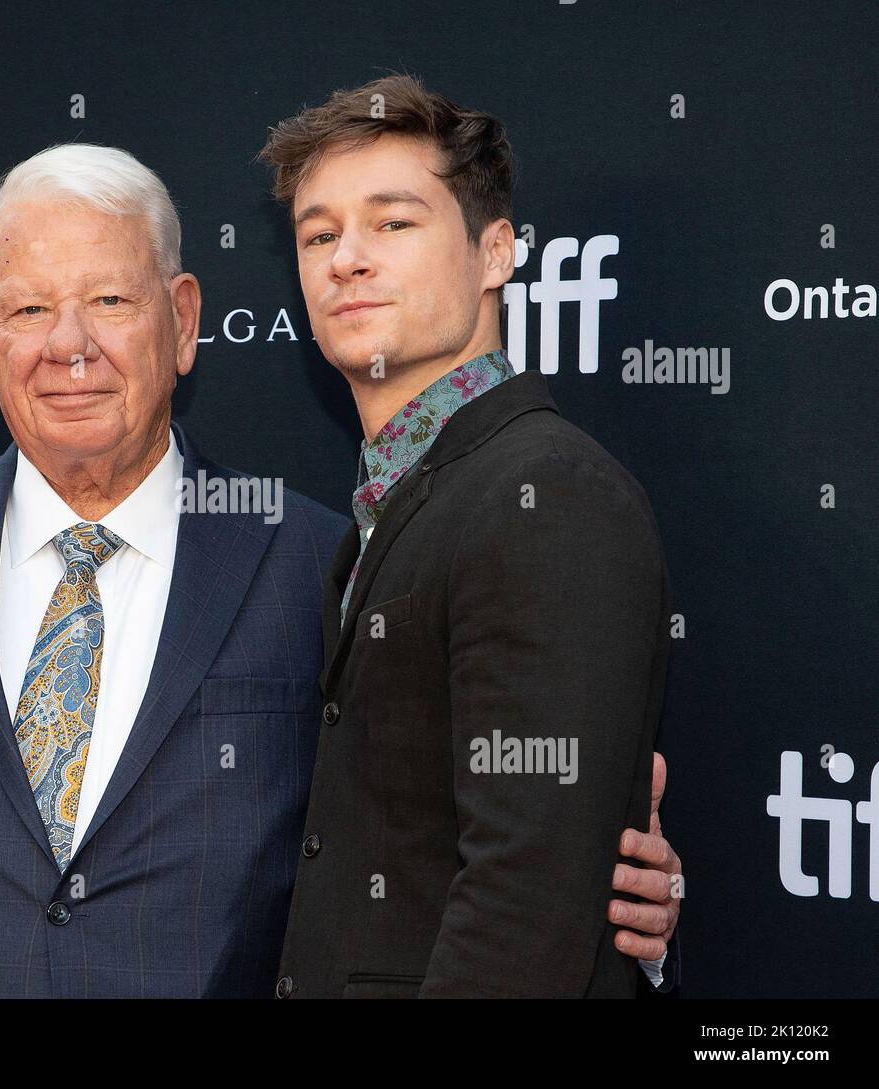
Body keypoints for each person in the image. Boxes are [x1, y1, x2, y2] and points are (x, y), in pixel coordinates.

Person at [0, 142, 677, 999]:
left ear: (183, 320)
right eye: (29, 308)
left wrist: (608, 881)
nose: (70, 345)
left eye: (111, 301)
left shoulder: (318, 560)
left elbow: (442, 844)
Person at [259, 75, 680, 998]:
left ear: (496, 253)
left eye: (394, 223)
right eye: (320, 234)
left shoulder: (548, 492)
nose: (348, 260)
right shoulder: (389, 505)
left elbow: (525, 902)